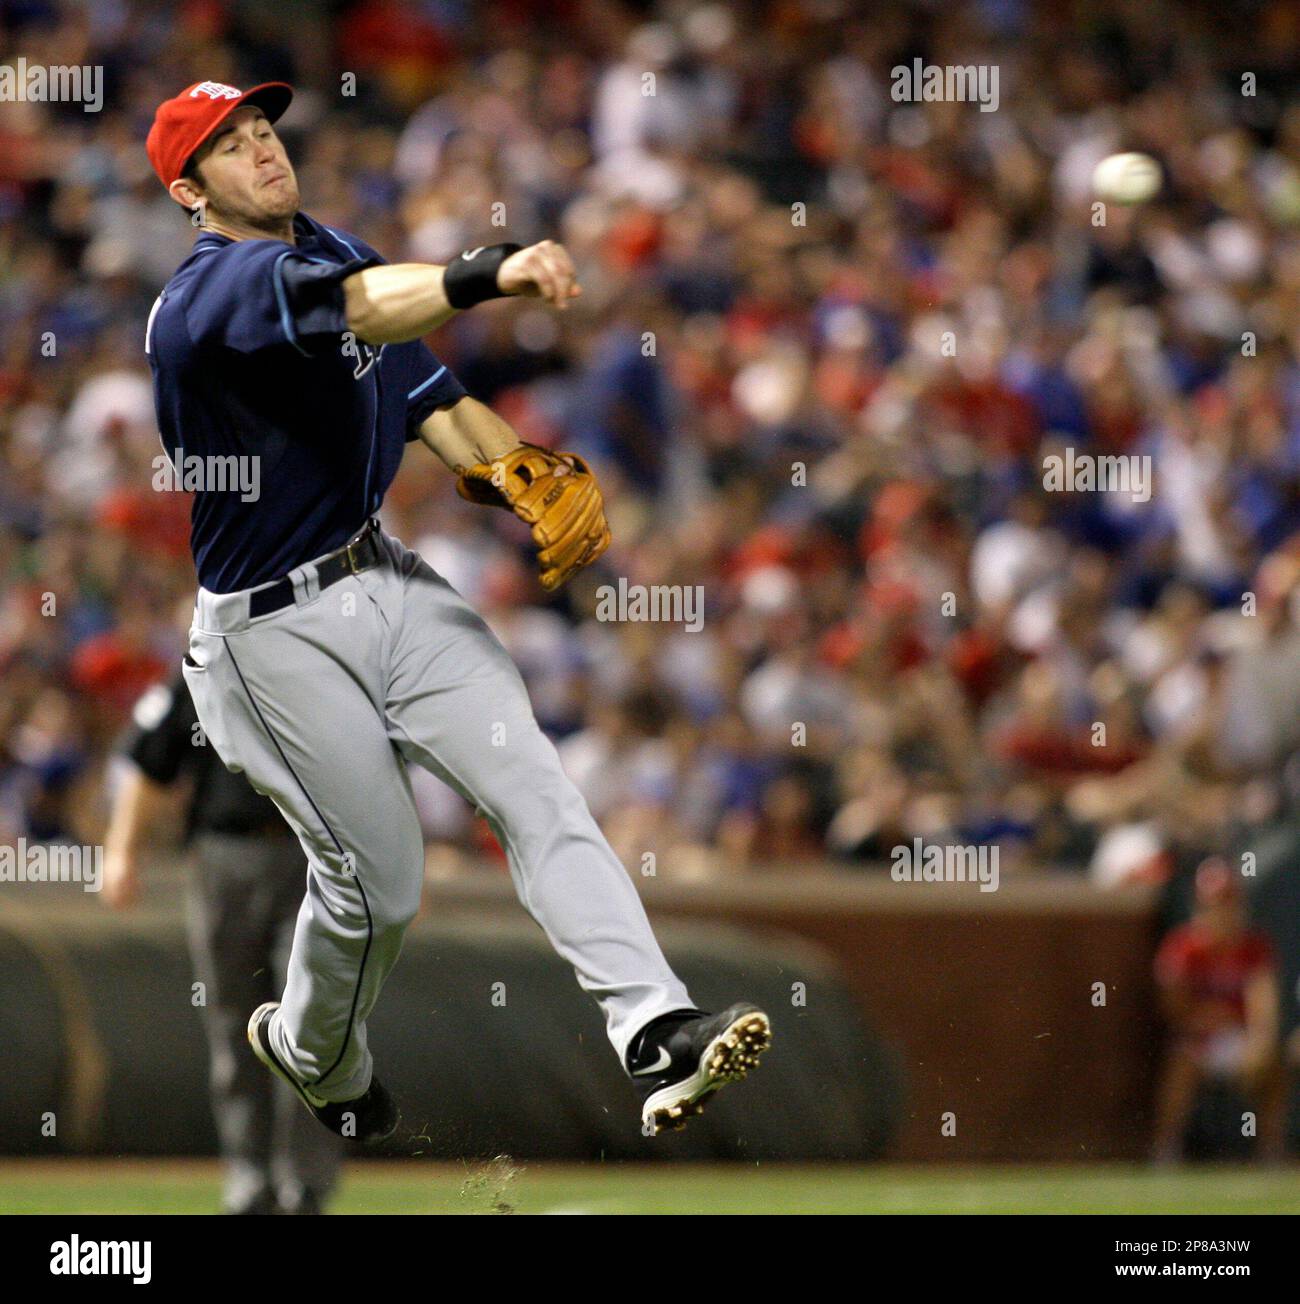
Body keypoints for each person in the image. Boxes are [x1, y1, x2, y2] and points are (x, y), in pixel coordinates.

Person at [141, 80, 771, 1141]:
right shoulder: (212, 292)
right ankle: (314, 1051)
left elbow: (423, 392)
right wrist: (493, 271)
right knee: (380, 885)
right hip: (268, 631)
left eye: (262, 130)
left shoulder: (327, 244)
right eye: (229, 145)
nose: (261, 150)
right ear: (185, 190)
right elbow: (365, 307)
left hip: (382, 575)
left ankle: (654, 1025)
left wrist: (514, 465)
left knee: (534, 785)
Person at [103, 667, 344, 1212]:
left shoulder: (328, 662)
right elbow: (150, 761)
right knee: (234, 1024)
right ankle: (249, 1178)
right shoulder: (203, 668)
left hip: (318, 859)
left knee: (313, 1022)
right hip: (224, 857)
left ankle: (304, 1182)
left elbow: (379, 769)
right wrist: (121, 850)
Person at [1151, 857, 1287, 1163]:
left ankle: (1271, 1151)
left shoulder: (1254, 946)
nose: (1223, 912)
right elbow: (1173, 1009)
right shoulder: (1183, 947)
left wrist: (1259, 1041)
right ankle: (1165, 1149)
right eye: (1215, 904)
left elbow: (1263, 1001)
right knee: (1181, 1064)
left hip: (1239, 1038)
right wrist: (1208, 1019)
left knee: (1273, 1068)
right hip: (1200, 1039)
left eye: (1229, 903)